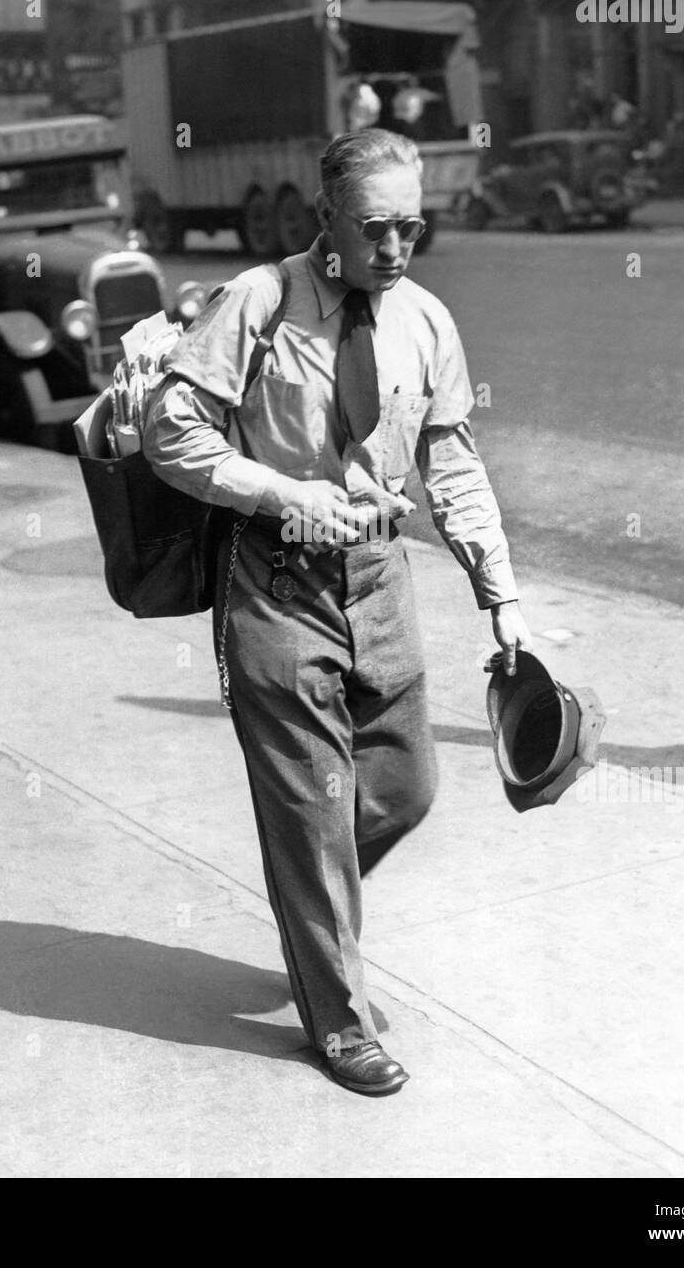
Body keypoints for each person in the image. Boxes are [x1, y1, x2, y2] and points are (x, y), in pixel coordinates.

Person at [142, 128, 532, 1096]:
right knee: (314, 815)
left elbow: (453, 464)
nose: (396, 249)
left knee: (406, 785)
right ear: (326, 218)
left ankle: (309, 903)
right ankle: (339, 1018)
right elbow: (169, 430)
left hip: (379, 582)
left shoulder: (427, 321)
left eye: (412, 227)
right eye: (376, 229)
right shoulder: (259, 300)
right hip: (275, 586)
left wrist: (504, 601)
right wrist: (281, 493)